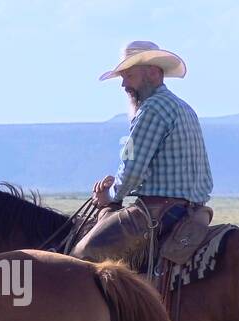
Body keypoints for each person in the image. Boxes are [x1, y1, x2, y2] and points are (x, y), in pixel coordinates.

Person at [70, 41, 214, 266]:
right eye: (122, 77)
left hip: (159, 213)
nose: (124, 85)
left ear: (154, 74)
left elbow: (132, 171)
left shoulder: (151, 109)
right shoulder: (183, 107)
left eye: (129, 76)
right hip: (193, 211)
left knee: (82, 256)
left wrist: (109, 197)